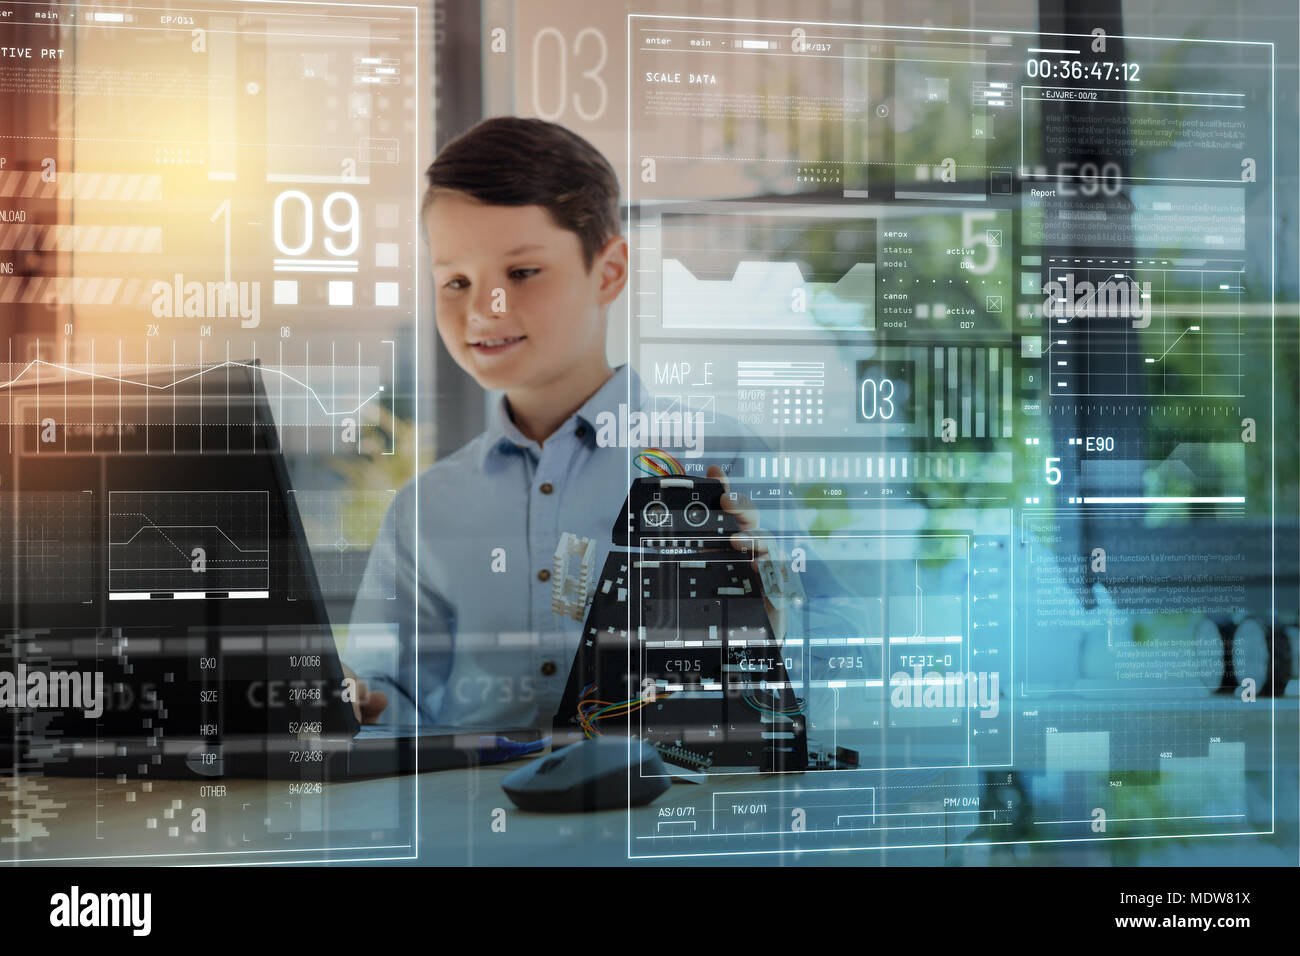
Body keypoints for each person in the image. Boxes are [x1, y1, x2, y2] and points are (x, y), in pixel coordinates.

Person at [341, 117, 783, 728]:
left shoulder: (721, 458)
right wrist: (344, 703)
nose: (481, 310)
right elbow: (390, 703)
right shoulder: (424, 511)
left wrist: (772, 619)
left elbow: (833, 658)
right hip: (470, 819)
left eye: (521, 273)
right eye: (456, 281)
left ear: (608, 273)